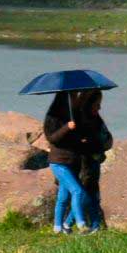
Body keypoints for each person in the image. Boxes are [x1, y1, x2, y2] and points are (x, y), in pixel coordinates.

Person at [43, 91, 96, 233]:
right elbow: (52, 138)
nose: (75, 99)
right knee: (78, 191)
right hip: (58, 162)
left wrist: (81, 139)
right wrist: (67, 127)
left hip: (72, 162)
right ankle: (80, 223)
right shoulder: (53, 117)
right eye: (72, 96)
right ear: (64, 99)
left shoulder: (74, 115)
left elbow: (73, 139)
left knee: (63, 196)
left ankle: (58, 227)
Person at [75, 88, 114, 230]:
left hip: (93, 162)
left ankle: (95, 224)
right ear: (88, 103)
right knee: (82, 194)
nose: (99, 107)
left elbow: (108, 139)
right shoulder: (77, 120)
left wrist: (93, 143)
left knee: (92, 194)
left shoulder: (96, 120)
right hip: (80, 163)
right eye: (97, 104)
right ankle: (73, 223)